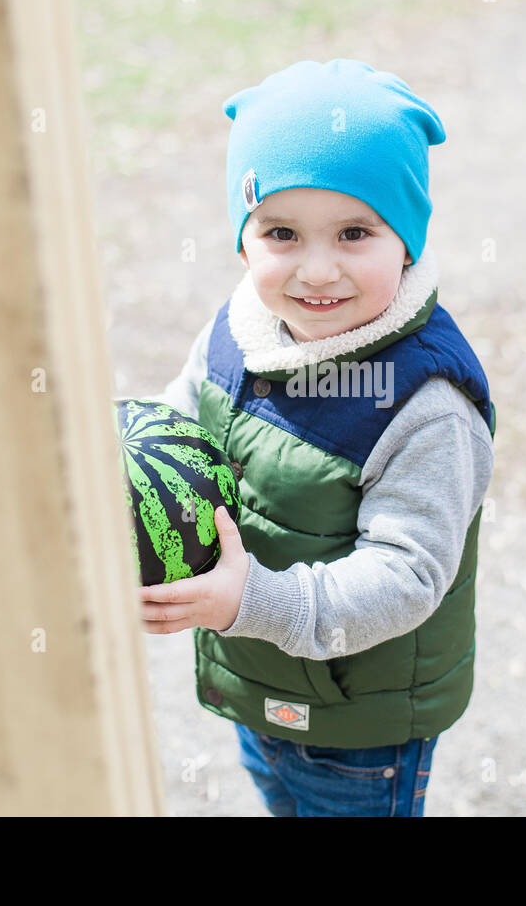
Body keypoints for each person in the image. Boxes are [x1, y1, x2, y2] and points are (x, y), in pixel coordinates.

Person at [138, 58, 496, 817]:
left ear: (407, 239)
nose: (318, 269)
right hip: (258, 677)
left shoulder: (425, 403)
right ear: (244, 241)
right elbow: (174, 426)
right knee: (277, 795)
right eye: (282, 233)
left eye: (355, 232)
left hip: (360, 724)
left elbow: (406, 575)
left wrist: (255, 601)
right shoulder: (235, 333)